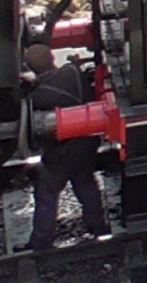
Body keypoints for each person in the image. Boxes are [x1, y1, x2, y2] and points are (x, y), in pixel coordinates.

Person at [23, 44, 110, 250]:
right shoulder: (72, 71)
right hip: (88, 143)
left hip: (62, 153)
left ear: (29, 67)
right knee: (86, 182)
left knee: (46, 191)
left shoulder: (36, 98)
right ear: (53, 57)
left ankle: (41, 242)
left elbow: (34, 128)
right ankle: (99, 227)